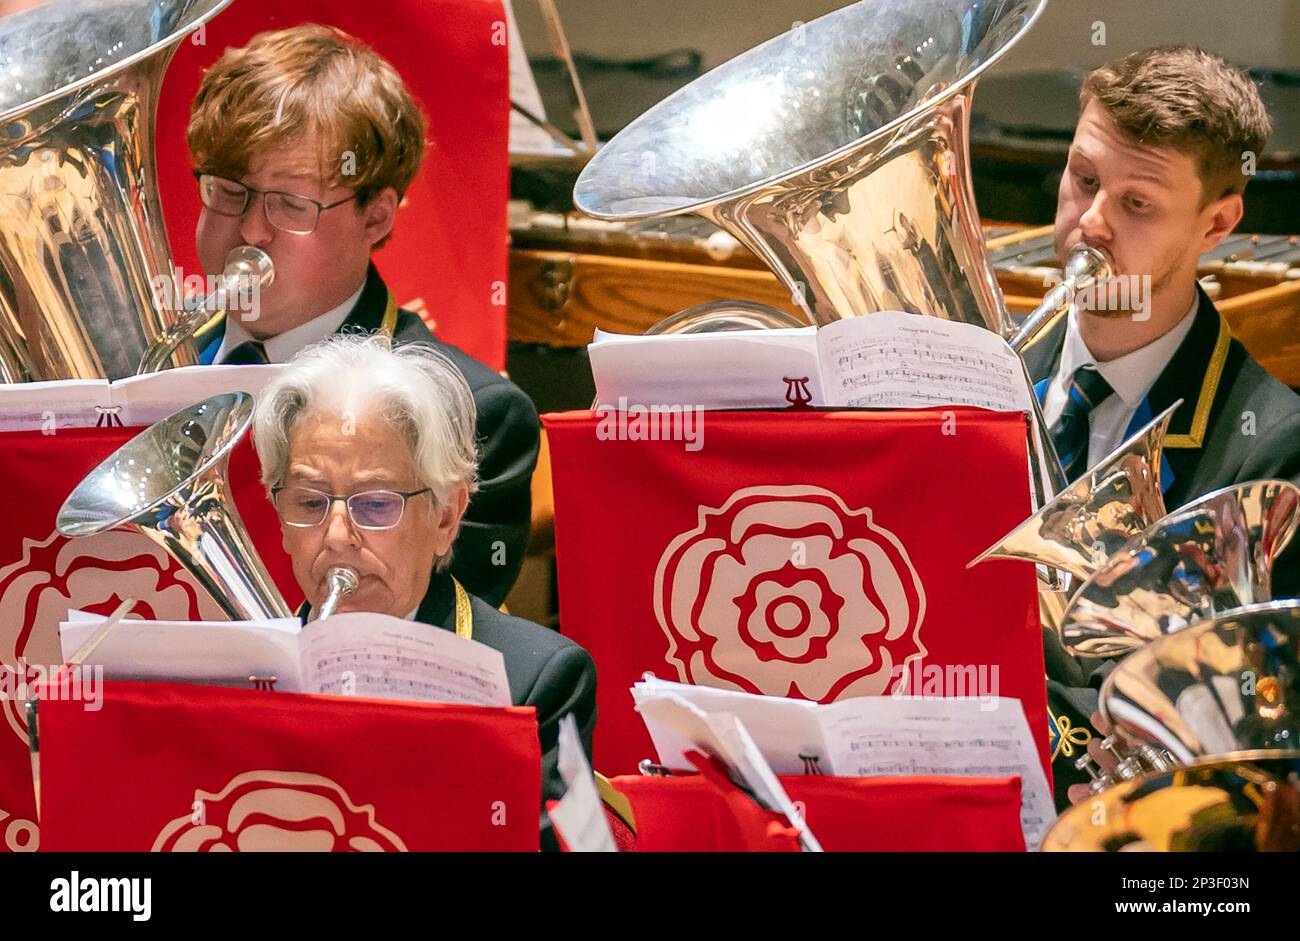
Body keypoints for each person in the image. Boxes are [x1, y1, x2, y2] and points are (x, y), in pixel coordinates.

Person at [1022, 46, 1300, 808]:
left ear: (1218, 222)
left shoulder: (1276, 449)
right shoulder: (981, 381)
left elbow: (1253, 717)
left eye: (1137, 204)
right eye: (1084, 180)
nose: (1092, 224)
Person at [187, 24, 538, 607]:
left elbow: (422, 652)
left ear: (375, 218)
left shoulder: (476, 415)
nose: (249, 230)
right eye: (227, 192)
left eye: (291, 203)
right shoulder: (139, 371)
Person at [251, 334, 595, 817]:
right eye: (310, 502)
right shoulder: (243, 676)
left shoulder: (538, 681)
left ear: (446, 519)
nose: (336, 537)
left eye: (374, 504)